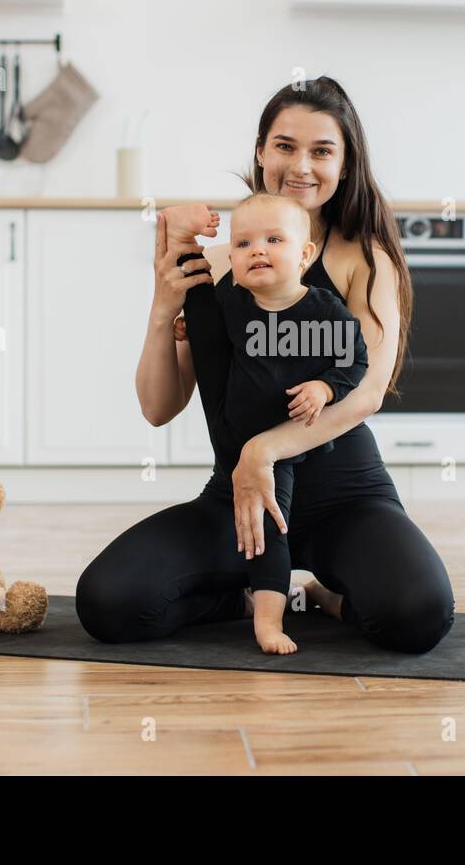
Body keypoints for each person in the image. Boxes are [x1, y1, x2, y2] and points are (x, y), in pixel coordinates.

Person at [76, 76, 455, 655]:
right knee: (108, 603)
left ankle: (329, 593)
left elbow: (368, 391)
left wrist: (263, 450)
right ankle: (247, 592)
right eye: (284, 146)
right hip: (240, 501)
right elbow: (158, 407)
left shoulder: (364, 256)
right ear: (260, 152)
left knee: (418, 615)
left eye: (322, 151)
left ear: (346, 165)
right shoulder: (224, 259)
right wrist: (162, 307)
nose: (301, 165)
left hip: (344, 499)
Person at [181, 190, 368, 653]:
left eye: (272, 240)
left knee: (269, 526)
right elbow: (210, 342)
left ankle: (268, 620)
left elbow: (354, 361)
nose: (256, 250)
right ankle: (181, 236)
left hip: (283, 446)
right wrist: (187, 329)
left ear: (304, 255)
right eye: (242, 245)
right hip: (233, 431)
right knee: (198, 304)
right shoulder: (235, 303)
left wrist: (325, 388)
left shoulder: (322, 308)